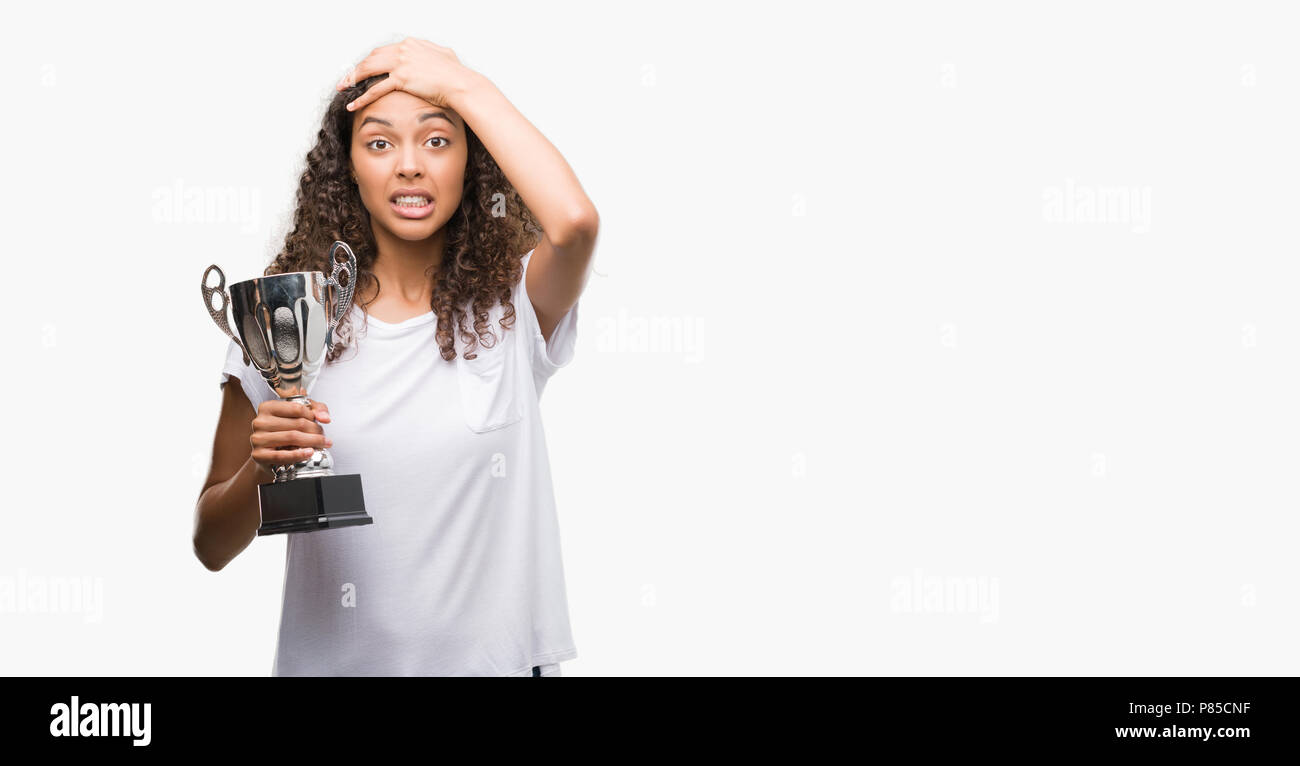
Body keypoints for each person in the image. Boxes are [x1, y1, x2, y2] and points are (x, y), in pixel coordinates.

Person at [192, 38, 598, 677]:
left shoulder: (513, 310)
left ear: (472, 159)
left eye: (438, 140)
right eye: (379, 142)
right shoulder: (288, 322)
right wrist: (262, 473)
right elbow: (210, 545)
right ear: (348, 166)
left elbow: (575, 222)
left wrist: (461, 83)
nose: (410, 166)